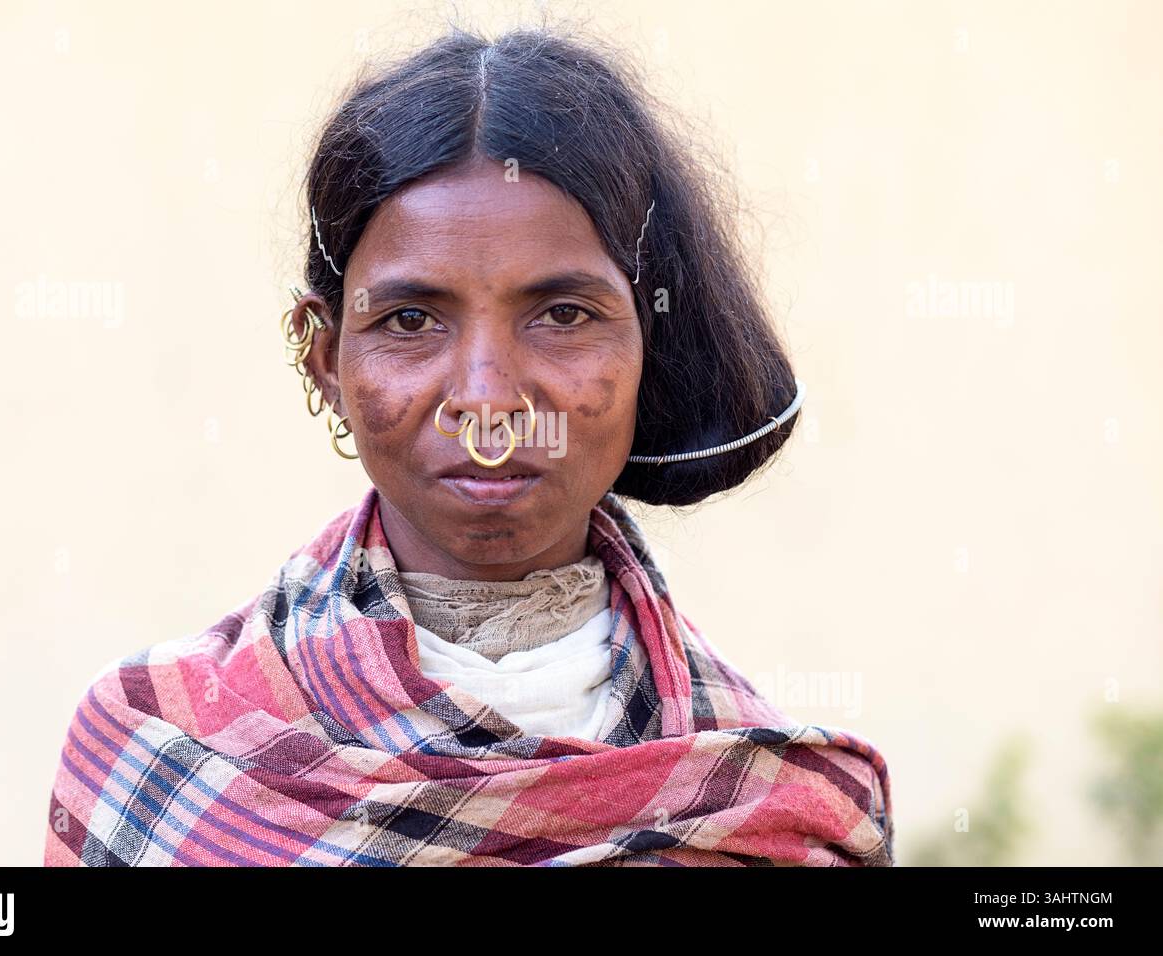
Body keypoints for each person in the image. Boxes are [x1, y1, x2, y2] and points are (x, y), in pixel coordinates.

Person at [44, 25, 892, 866]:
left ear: (649, 347)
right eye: (410, 320)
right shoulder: (161, 748)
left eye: (564, 315)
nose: (487, 402)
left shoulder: (776, 808)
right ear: (326, 360)